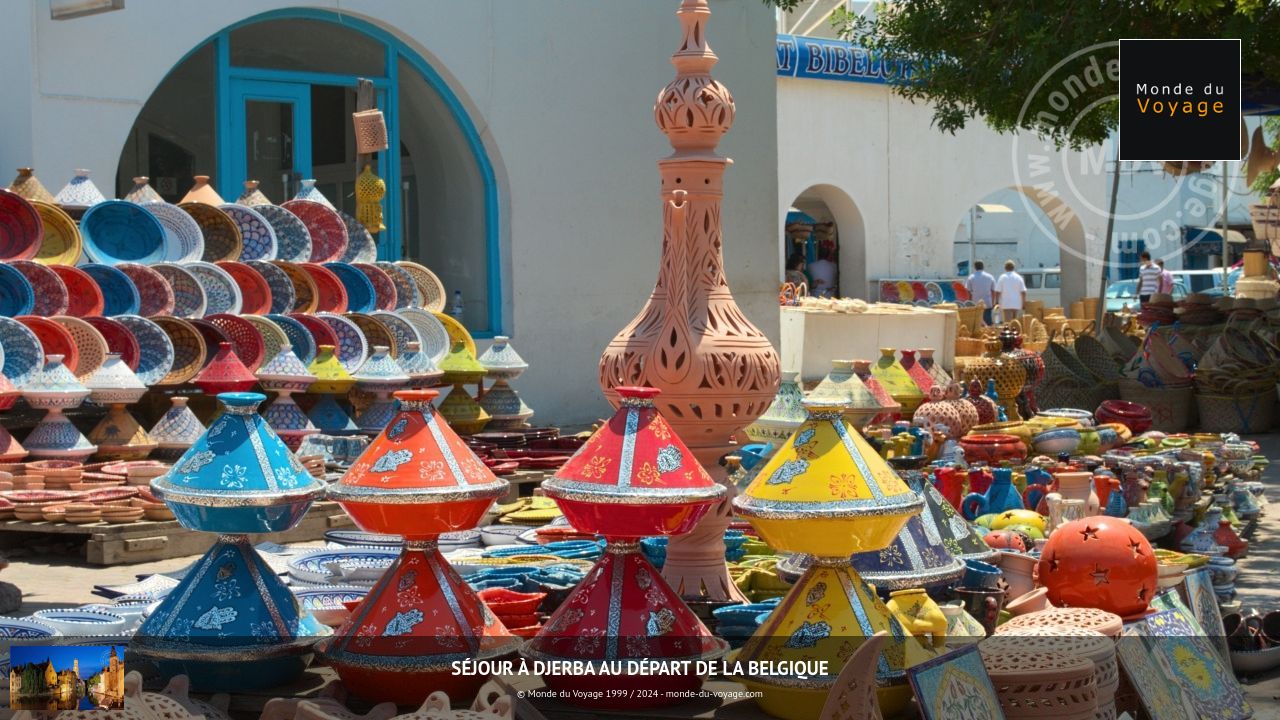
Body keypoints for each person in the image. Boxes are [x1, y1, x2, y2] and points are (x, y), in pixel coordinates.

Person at [965, 261, 996, 325]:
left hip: (975, 304)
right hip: (987, 303)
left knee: (977, 324)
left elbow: (968, 292)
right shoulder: (990, 277)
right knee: (988, 323)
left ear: (975, 267)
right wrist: (993, 302)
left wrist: (969, 303)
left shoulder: (971, 278)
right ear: (983, 267)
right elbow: (993, 291)